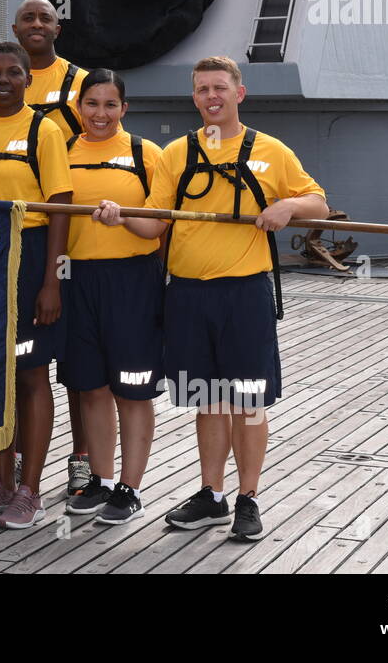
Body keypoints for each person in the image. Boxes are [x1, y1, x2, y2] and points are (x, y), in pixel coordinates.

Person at [124, 56, 327, 541]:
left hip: (245, 294)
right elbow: (155, 222)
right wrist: (118, 215)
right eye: (201, 90)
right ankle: (211, 495)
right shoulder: (176, 154)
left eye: (219, 88)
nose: (211, 97)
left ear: (240, 93)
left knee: (248, 402)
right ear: (193, 98)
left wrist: (288, 205)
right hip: (189, 295)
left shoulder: (271, 151)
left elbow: (318, 202)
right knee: (207, 400)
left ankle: (248, 497)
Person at [0, 42, 73, 530]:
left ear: (29, 79)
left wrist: (52, 280)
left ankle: (31, 489)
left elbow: (61, 208)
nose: (2, 80)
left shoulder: (43, 130)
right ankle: (1, 484)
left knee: (30, 374)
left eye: (13, 73)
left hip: (30, 262)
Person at [59, 69, 164, 524]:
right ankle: (101, 480)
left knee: (133, 390)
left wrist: (124, 219)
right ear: (78, 107)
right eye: (91, 104)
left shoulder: (147, 154)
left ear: (124, 108)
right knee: (91, 387)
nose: (99, 114)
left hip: (131, 281)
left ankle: (130, 487)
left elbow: (158, 227)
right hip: (76, 280)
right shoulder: (60, 151)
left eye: (109, 104)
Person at [11, 0, 91, 493]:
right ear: (15, 28)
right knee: (24, 362)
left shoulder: (79, 83)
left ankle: (81, 457)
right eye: (29, 18)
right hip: (29, 243)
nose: (37, 24)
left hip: (77, 237)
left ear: (58, 29)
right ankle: (19, 463)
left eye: (46, 17)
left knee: (79, 364)